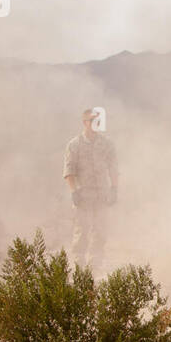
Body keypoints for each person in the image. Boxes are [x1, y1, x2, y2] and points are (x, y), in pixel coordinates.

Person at [63, 108, 118, 270]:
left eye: (98, 122)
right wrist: (74, 191)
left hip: (102, 194)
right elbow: (69, 170)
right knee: (82, 231)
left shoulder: (107, 144)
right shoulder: (74, 145)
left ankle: (95, 266)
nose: (96, 124)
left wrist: (114, 189)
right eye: (92, 121)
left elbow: (113, 168)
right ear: (84, 123)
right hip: (83, 195)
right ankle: (79, 267)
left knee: (100, 231)